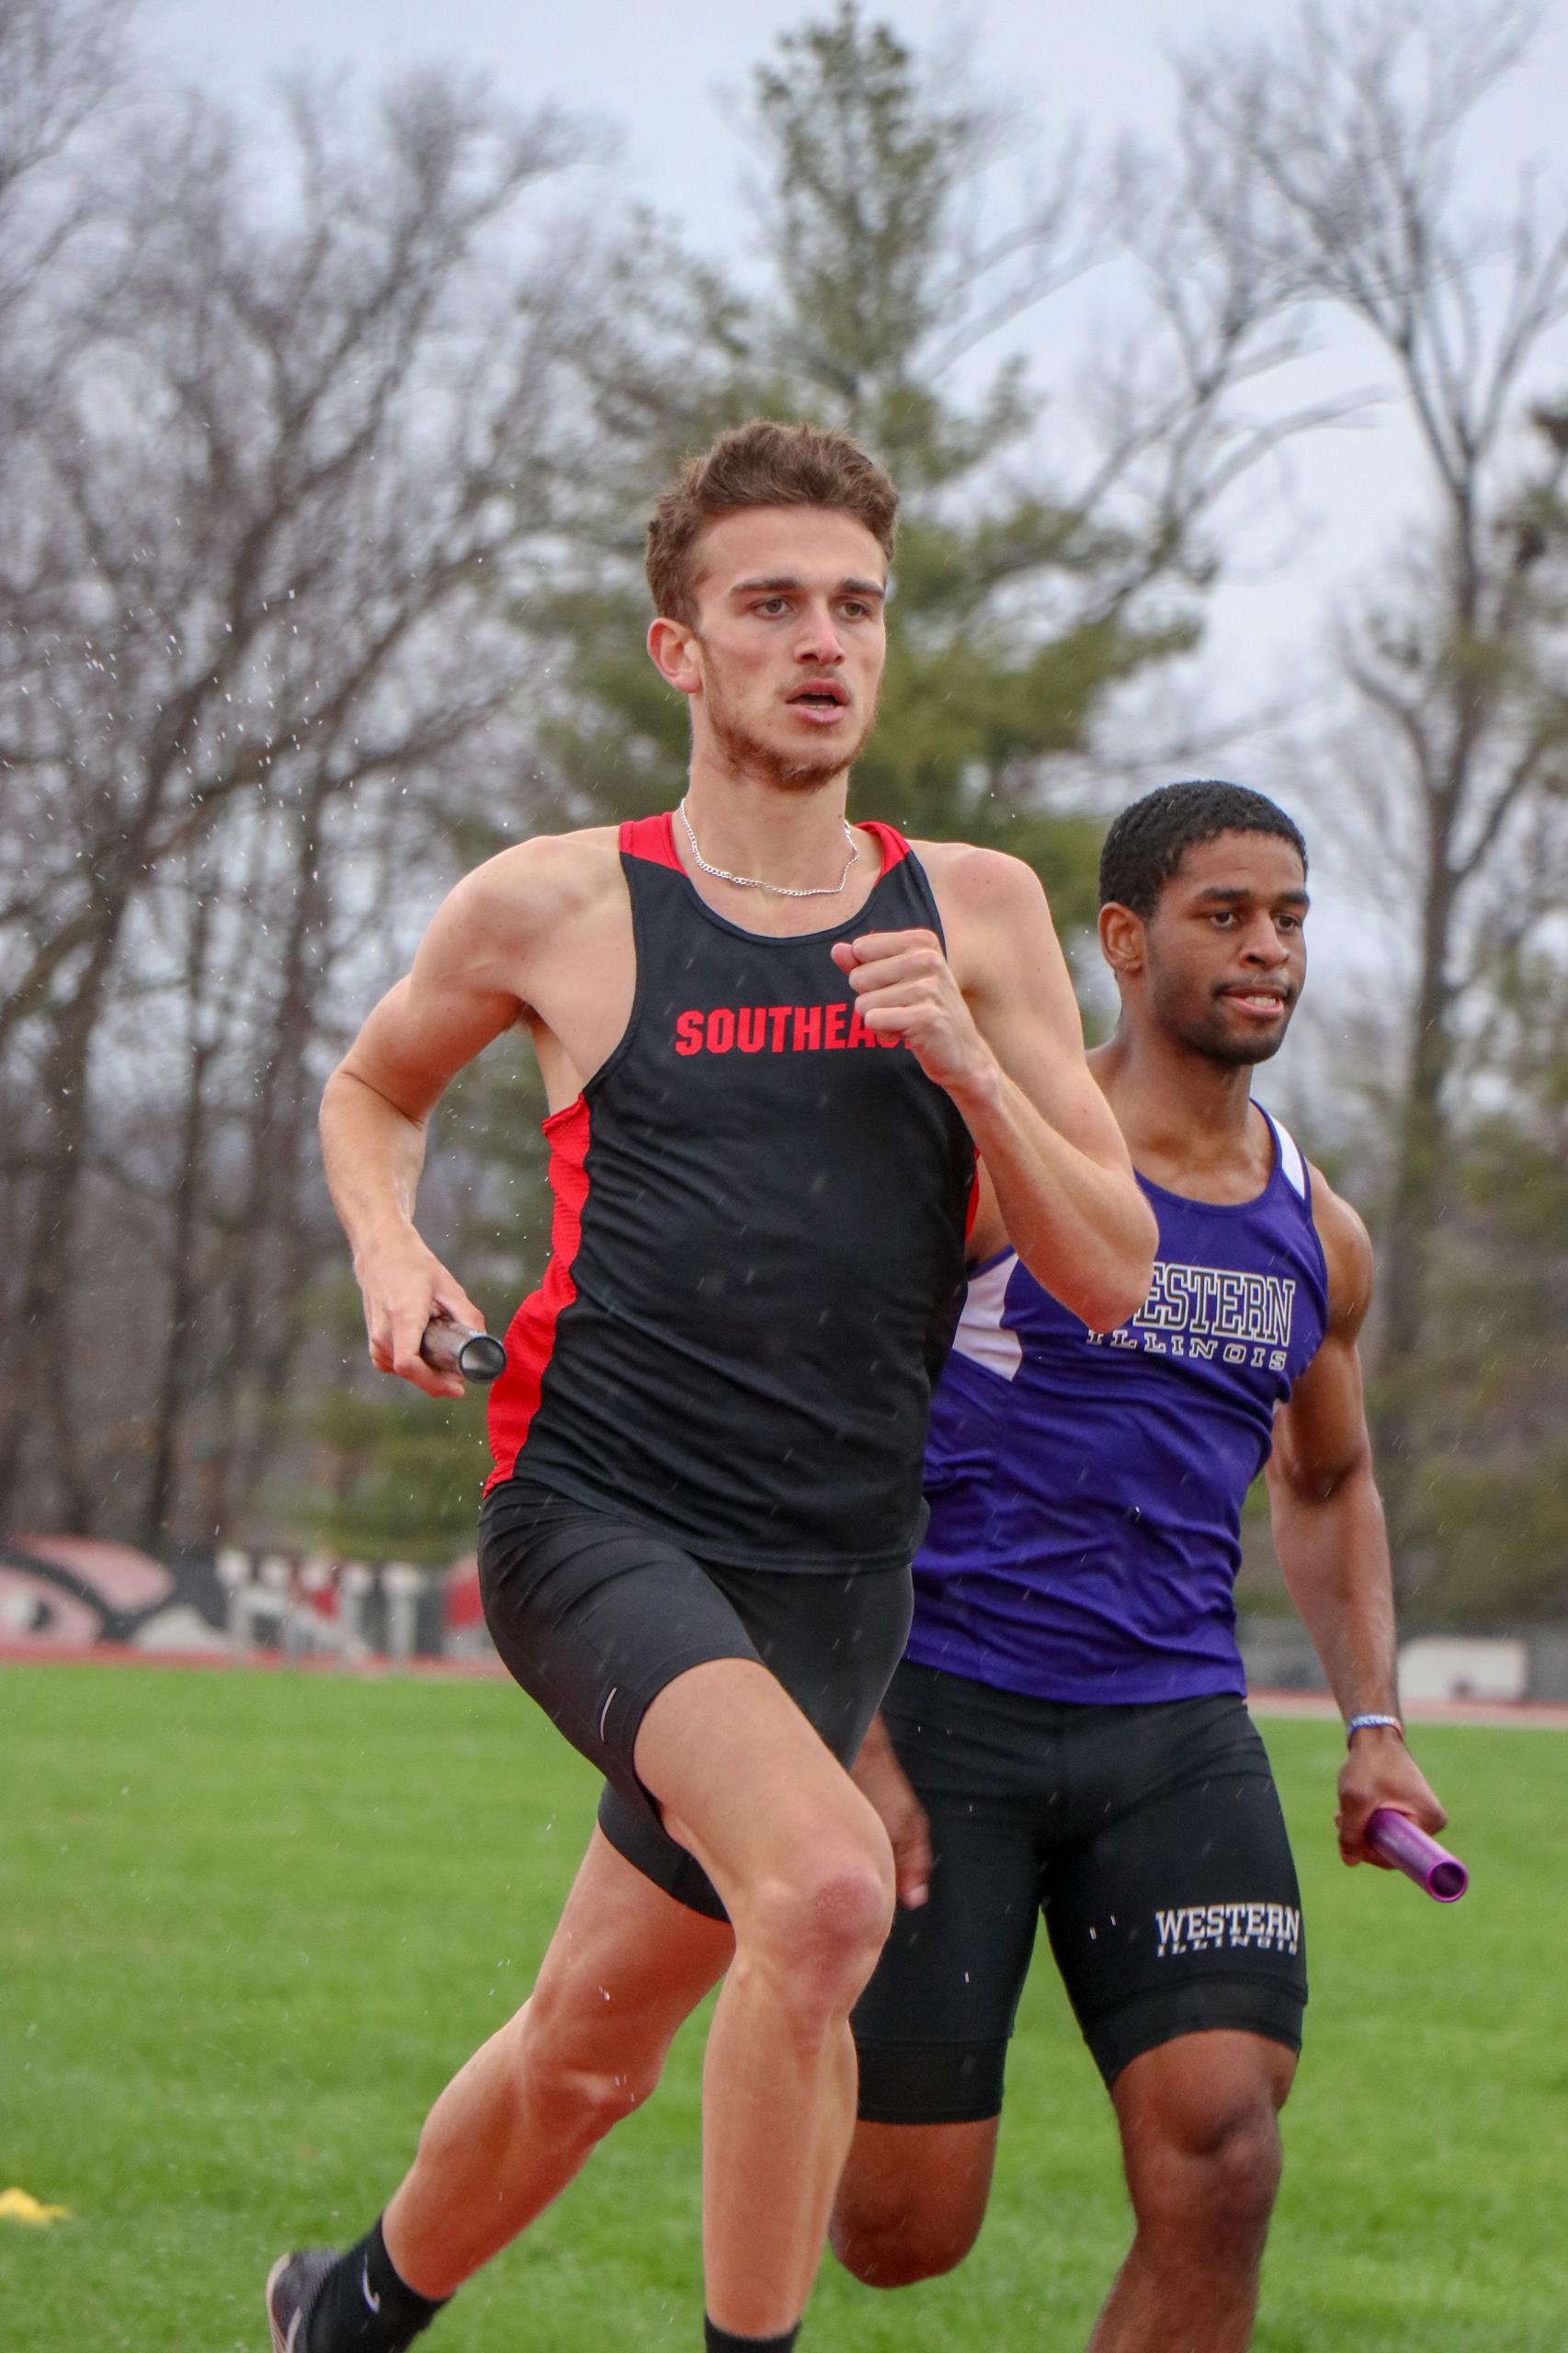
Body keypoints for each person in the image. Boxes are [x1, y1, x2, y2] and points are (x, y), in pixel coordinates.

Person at [266, 419, 1156, 2353]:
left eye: (855, 606)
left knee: (588, 2052)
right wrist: (390, 1249)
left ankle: (339, 2315)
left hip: (833, 1574)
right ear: (679, 649)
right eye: (770, 605)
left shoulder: (978, 913)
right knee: (827, 1894)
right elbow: (370, 1087)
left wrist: (973, 1068)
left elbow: (1110, 1270)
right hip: (594, 1519)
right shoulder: (556, 905)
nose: (822, 641)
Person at [832, 779, 1448, 2353]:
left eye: (1289, 917)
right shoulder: (998, 1159)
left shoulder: (1319, 1230)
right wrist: (848, 1725)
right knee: (899, 2235)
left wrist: (1372, 1720)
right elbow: (830, 1435)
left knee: (1224, 2151)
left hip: (1170, 1727)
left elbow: (1329, 1480)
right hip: (941, 1714)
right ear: (1120, 938)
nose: (1267, 950)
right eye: (1222, 915)